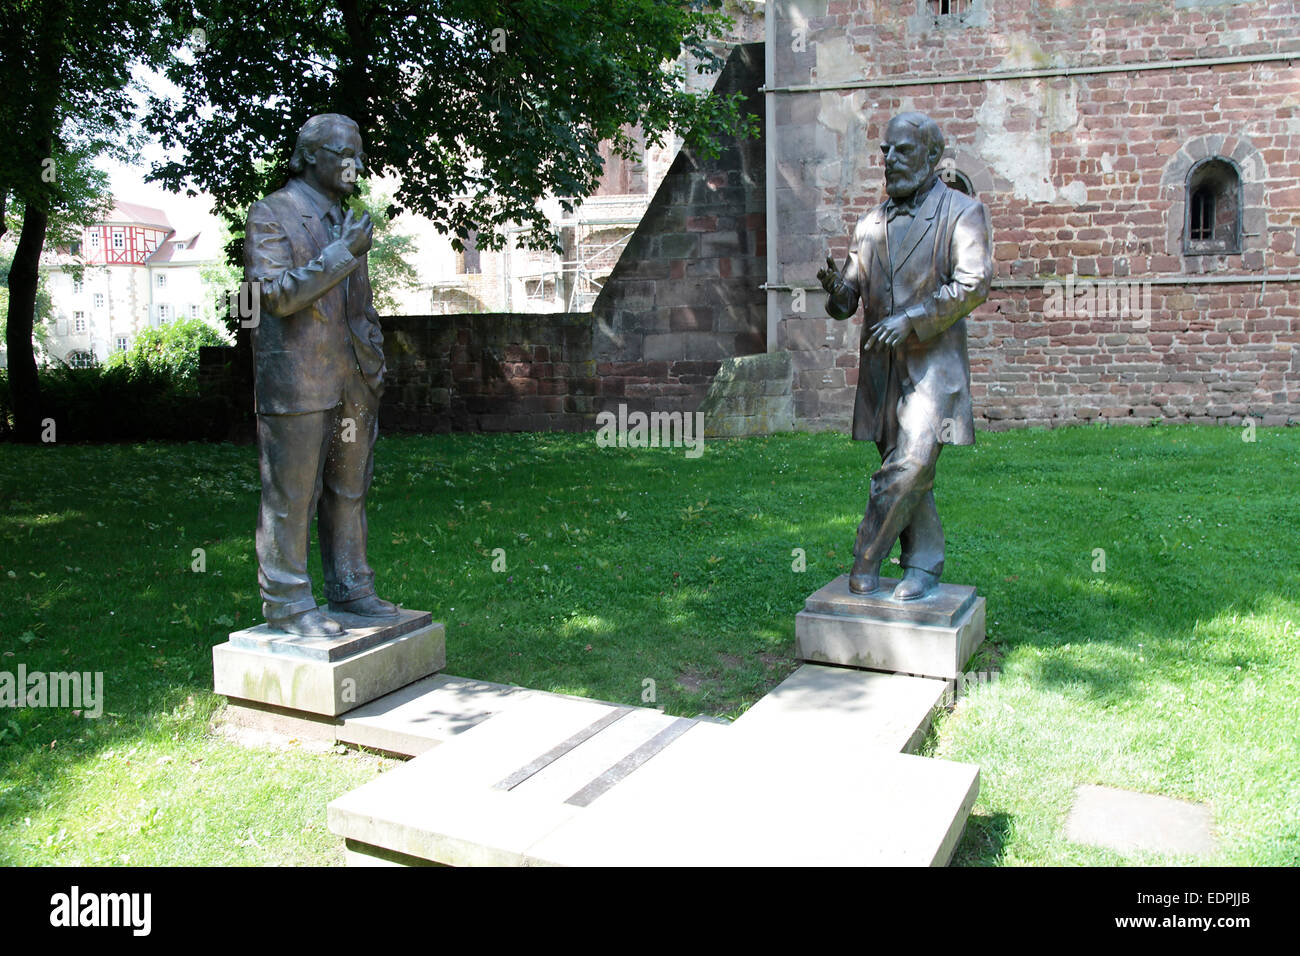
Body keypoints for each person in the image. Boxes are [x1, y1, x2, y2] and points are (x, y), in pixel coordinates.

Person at [817, 112, 992, 601]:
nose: (889, 160)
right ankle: (923, 567)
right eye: (885, 152)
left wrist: (913, 320)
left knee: (912, 464)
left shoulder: (962, 212)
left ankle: (865, 556)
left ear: (933, 157)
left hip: (934, 368)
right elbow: (849, 298)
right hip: (883, 372)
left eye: (902, 151)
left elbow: (973, 282)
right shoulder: (870, 223)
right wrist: (837, 292)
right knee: (913, 476)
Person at [244, 113, 398, 636]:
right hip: (298, 380)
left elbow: (361, 306)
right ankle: (287, 604)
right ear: (310, 155)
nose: (353, 165)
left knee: (349, 490)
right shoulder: (272, 214)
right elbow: (275, 296)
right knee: (291, 497)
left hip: (353, 378)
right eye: (341, 154)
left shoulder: (345, 219)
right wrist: (344, 253)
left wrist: (373, 362)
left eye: (357, 154)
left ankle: (351, 588)